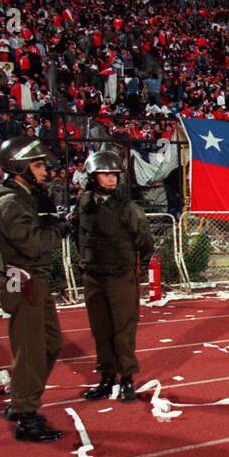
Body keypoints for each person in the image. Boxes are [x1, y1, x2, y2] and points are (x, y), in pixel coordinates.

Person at [0, 136, 68, 441]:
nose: (44, 170)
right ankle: (25, 413)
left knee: (49, 342)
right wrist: (57, 230)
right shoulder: (10, 201)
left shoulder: (24, 196)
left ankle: (23, 397)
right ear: (19, 166)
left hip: (32, 279)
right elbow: (32, 244)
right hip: (23, 280)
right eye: (37, 165)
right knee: (31, 348)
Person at [76, 148, 155, 402]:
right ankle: (107, 377)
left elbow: (145, 241)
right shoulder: (84, 204)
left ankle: (127, 378)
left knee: (123, 330)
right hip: (94, 275)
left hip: (120, 276)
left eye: (114, 174)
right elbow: (79, 237)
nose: (111, 179)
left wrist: (135, 268)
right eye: (105, 174)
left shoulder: (127, 208)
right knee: (101, 330)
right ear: (92, 176)